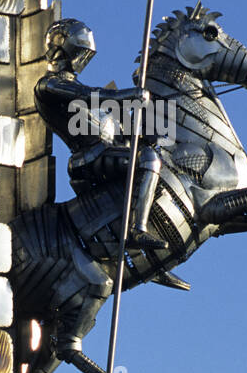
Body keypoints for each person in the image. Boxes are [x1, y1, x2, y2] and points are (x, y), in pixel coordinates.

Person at [34, 18, 188, 289]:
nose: (82, 60)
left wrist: (142, 120)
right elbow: (93, 95)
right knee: (148, 161)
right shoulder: (51, 86)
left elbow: (118, 128)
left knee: (159, 167)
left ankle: (151, 261)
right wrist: (130, 95)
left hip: (109, 151)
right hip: (89, 159)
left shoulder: (81, 93)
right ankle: (137, 231)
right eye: (79, 53)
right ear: (64, 51)